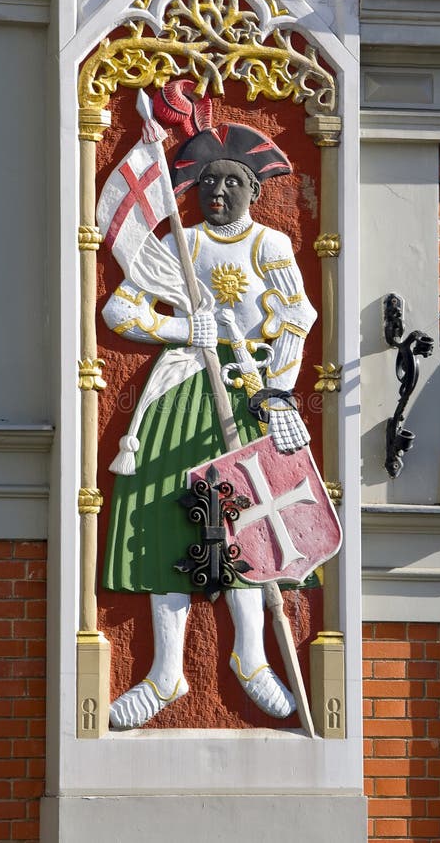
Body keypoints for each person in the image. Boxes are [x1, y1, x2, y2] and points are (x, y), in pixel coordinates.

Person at [102, 121, 317, 729]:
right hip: (183, 392)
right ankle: (167, 674)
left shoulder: (269, 246)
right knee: (164, 522)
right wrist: (179, 329)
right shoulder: (180, 245)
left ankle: (251, 658)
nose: (216, 193)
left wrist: (278, 392)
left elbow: (296, 320)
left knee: (247, 522)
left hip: (246, 393)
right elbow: (119, 308)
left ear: (253, 188)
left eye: (230, 182)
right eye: (207, 183)